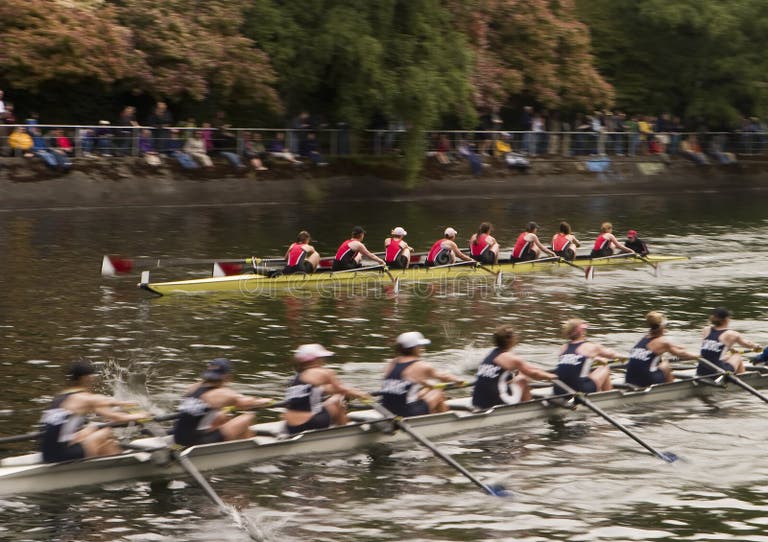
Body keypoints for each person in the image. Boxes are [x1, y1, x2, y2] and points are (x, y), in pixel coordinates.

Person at [39, 361, 147, 463]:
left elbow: (106, 402)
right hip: (61, 455)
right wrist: (142, 416)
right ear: (86, 378)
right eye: (92, 376)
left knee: (92, 428)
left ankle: (109, 455)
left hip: (46, 454)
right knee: (106, 431)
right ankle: (115, 464)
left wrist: (124, 404)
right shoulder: (85, 398)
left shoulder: (59, 398)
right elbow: (116, 417)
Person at [173, 358, 272, 446]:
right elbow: (247, 404)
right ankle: (247, 449)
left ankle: (242, 438)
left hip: (179, 438)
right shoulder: (223, 393)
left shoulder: (193, 387)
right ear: (227, 377)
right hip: (197, 440)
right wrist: (263, 401)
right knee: (248, 417)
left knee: (223, 416)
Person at [284, 344, 369, 435]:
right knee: (337, 400)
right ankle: (345, 432)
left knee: (334, 397)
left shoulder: (294, 378)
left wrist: (345, 392)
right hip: (312, 422)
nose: (324, 361)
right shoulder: (323, 372)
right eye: (323, 358)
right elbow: (342, 389)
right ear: (315, 359)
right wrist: (362, 395)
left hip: (291, 427)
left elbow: (326, 389)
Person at [380, 332, 464, 416]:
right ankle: (445, 418)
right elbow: (443, 376)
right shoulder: (422, 366)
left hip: (385, 410)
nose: (423, 348)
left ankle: (437, 412)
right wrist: (457, 380)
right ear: (415, 348)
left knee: (424, 390)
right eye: (420, 346)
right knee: (438, 391)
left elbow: (405, 380)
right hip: (406, 413)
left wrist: (425, 385)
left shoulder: (392, 363)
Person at [472, 325, 556, 409]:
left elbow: (531, 368)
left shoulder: (491, 354)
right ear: (510, 340)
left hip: (476, 401)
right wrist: (554, 377)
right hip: (494, 403)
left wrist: (545, 372)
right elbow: (534, 374)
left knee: (520, 375)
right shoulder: (512, 359)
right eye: (515, 335)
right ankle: (526, 410)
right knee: (523, 380)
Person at [625, 311, 698, 387]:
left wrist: (679, 347)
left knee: (657, 362)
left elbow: (670, 347)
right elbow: (682, 354)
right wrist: (698, 356)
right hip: (646, 381)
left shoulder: (644, 338)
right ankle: (671, 388)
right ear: (662, 327)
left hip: (629, 379)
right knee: (665, 364)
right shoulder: (663, 342)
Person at [553, 319, 622, 394]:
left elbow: (574, 363)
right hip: (579, 390)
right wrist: (627, 358)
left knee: (583, 370)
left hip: (559, 389)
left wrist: (595, 358)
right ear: (582, 331)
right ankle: (608, 397)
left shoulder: (563, 348)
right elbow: (613, 355)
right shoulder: (591, 347)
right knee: (605, 367)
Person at [698, 308, 761, 376]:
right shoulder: (731, 334)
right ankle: (743, 378)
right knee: (737, 355)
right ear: (726, 319)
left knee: (728, 355)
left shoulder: (706, 330)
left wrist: (730, 349)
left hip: (701, 371)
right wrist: (756, 346)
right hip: (718, 373)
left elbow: (711, 349)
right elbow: (747, 344)